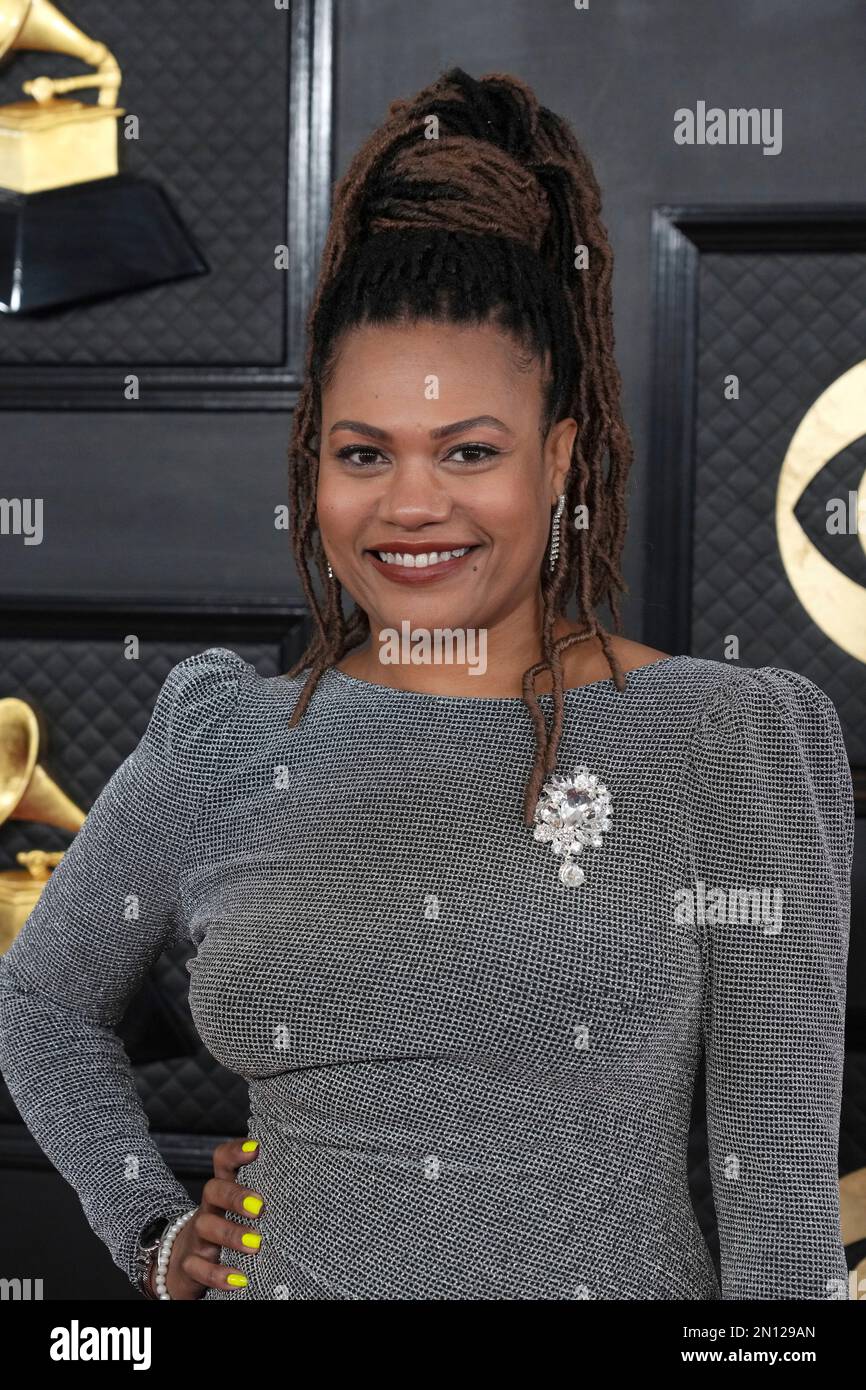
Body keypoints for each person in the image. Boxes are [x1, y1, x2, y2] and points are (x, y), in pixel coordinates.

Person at [0, 67, 853, 1301]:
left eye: (468, 452)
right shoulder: (224, 741)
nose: (411, 504)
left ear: (558, 458)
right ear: (315, 463)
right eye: (364, 454)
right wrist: (147, 1222)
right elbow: (37, 1004)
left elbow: (778, 1229)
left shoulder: (719, 741)